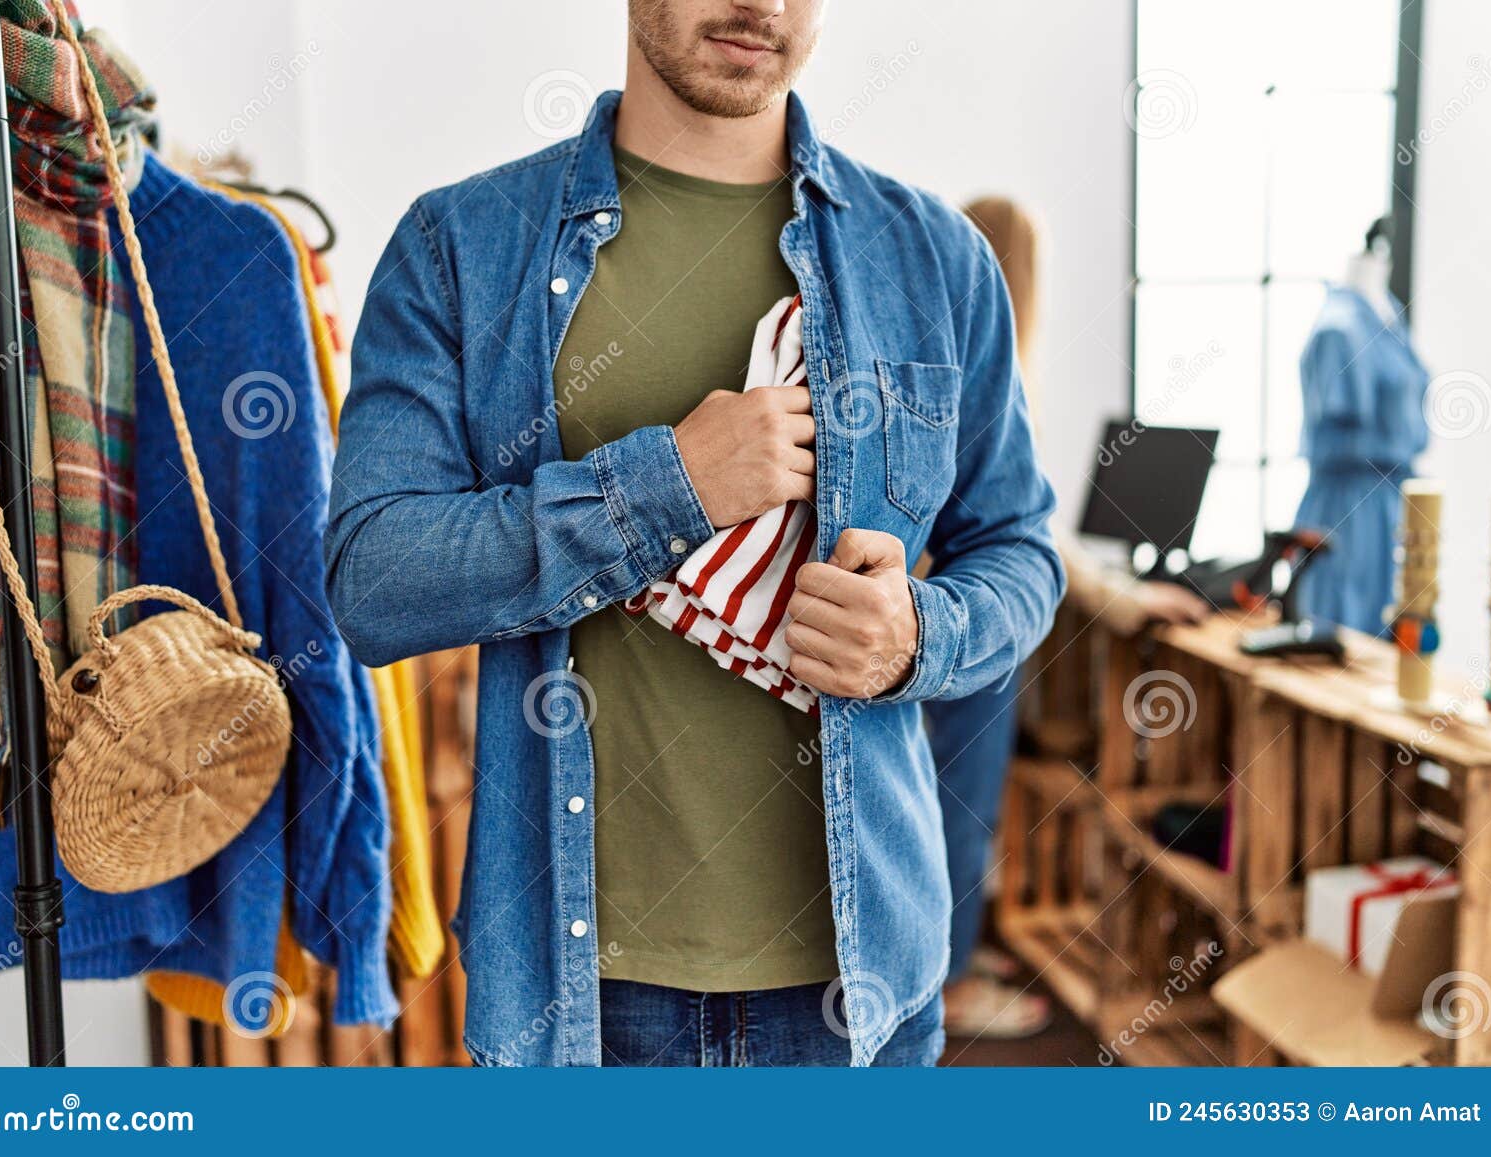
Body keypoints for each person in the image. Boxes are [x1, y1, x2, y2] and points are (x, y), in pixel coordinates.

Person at [326, 0, 1063, 1067]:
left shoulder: (936, 259)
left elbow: (1021, 551)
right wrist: (667, 487)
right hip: (579, 1006)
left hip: (862, 995)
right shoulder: (462, 246)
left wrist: (918, 635)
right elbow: (374, 578)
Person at [930, 197, 1209, 1039]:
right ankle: (949, 986)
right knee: (961, 803)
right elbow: (1028, 532)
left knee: (946, 800)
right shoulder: (997, 367)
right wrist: (1123, 598)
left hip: (939, 618)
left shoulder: (935, 353)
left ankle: (951, 958)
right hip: (976, 627)